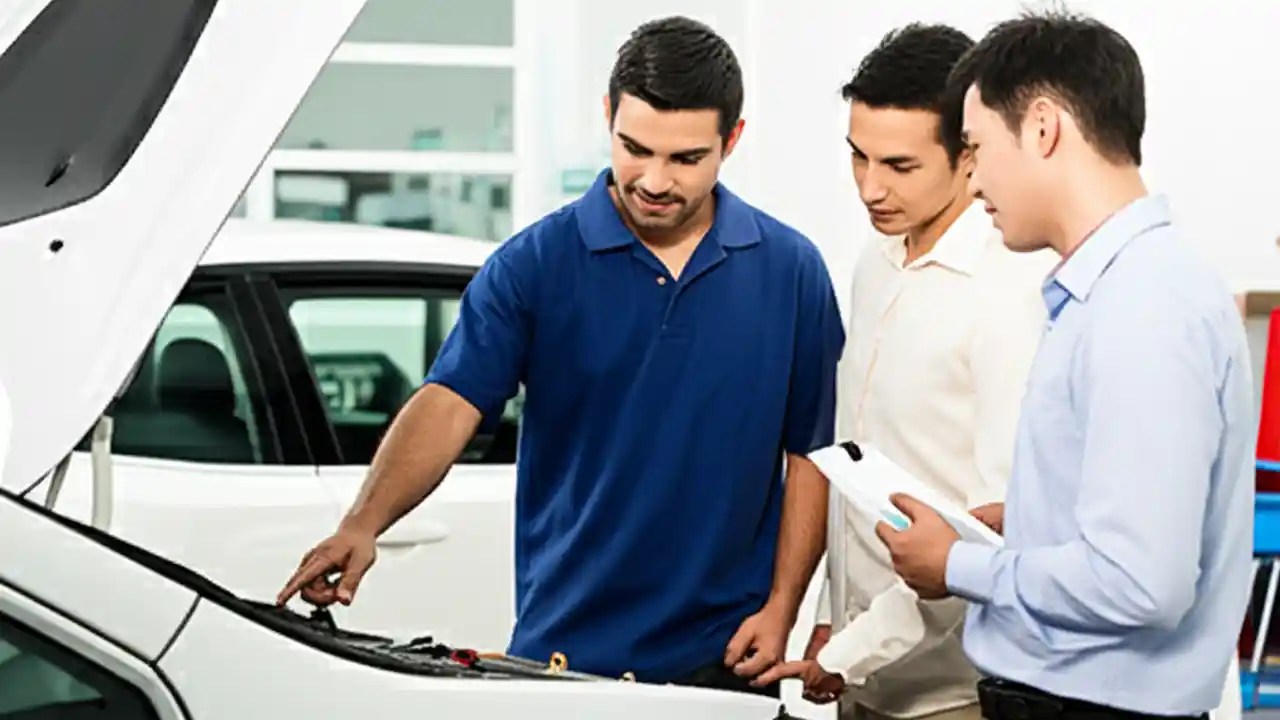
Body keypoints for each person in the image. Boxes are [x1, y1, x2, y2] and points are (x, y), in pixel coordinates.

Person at [276, 15, 845, 697]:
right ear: (608, 116)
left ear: (733, 140)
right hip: (564, 658)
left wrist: (783, 606)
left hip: (724, 662)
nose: (654, 180)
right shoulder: (533, 266)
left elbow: (811, 454)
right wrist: (363, 523)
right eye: (634, 148)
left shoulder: (791, 271)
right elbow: (450, 401)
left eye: (685, 159)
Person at [876, 9, 1255, 720]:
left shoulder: (1144, 305)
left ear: (1044, 127)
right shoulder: (1111, 292)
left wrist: (958, 566)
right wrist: (1031, 523)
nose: (973, 180)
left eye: (977, 147)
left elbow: (1141, 583)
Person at [748, 24, 1053, 719]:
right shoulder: (876, 261)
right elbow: (860, 462)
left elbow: (987, 533)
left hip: (954, 694)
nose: (870, 187)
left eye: (899, 166)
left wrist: (853, 650)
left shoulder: (1009, 293)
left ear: (969, 155)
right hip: (864, 677)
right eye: (858, 156)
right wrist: (833, 619)